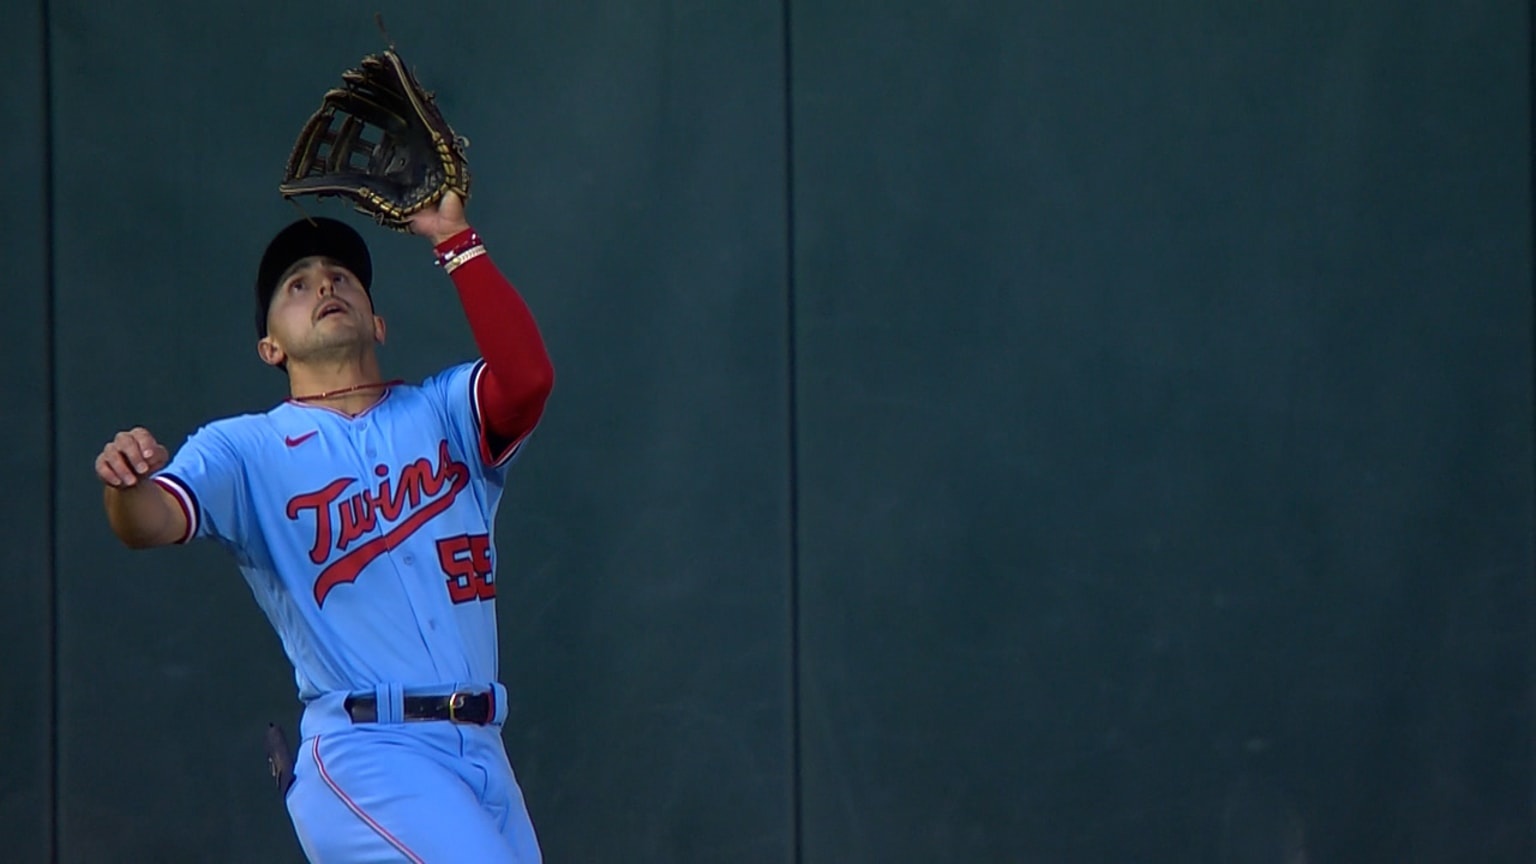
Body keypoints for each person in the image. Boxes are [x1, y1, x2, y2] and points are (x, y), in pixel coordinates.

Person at [94, 191, 552, 863]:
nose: (325, 285)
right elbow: (150, 521)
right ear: (269, 346)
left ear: (379, 320)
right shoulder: (244, 450)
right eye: (297, 284)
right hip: (369, 751)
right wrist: (124, 487)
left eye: (341, 276)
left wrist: (456, 241)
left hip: (484, 746)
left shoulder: (446, 412)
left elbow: (527, 379)